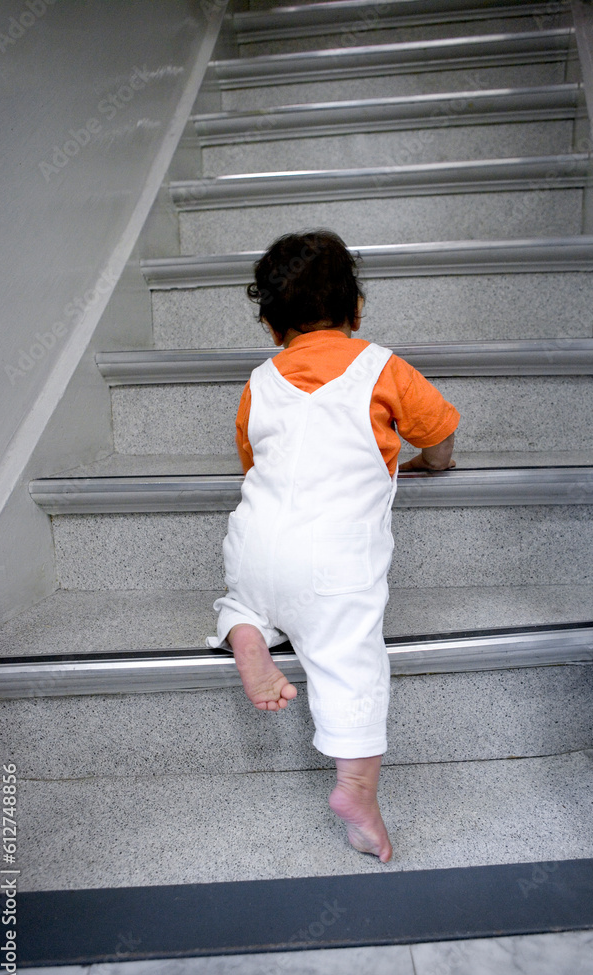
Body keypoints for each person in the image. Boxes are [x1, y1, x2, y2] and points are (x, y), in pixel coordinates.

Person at [206, 230, 459, 862]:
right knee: (350, 663)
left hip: (255, 539)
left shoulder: (259, 381)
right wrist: (434, 461)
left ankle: (244, 627)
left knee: (248, 595)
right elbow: (441, 432)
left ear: (270, 325)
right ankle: (356, 791)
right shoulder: (383, 367)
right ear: (358, 309)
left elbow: (251, 460)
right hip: (335, 562)